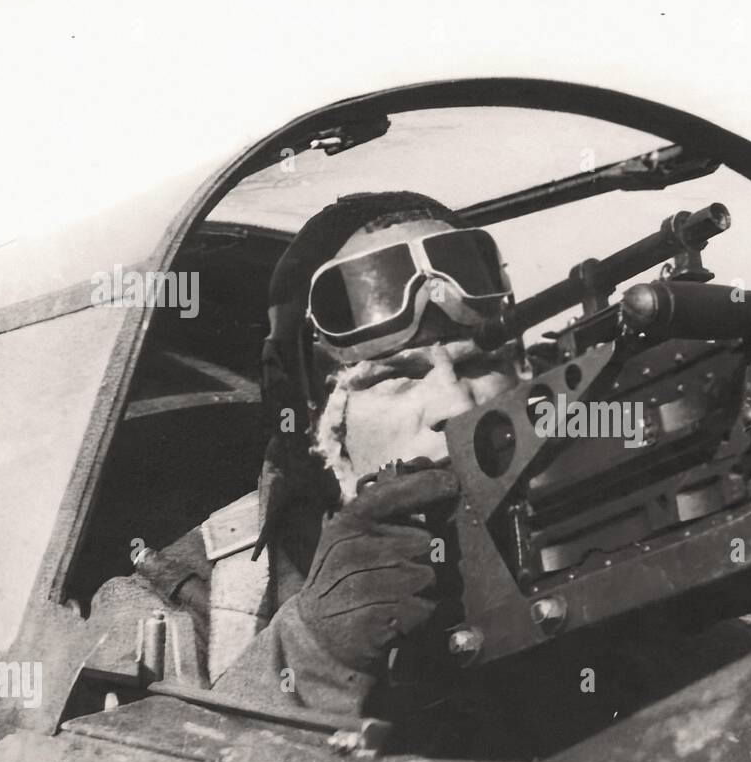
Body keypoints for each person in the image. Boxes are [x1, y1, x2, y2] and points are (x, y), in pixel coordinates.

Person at [90, 191, 524, 720]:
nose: (456, 405)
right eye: (395, 378)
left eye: (481, 364)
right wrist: (316, 649)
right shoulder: (178, 603)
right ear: (311, 415)